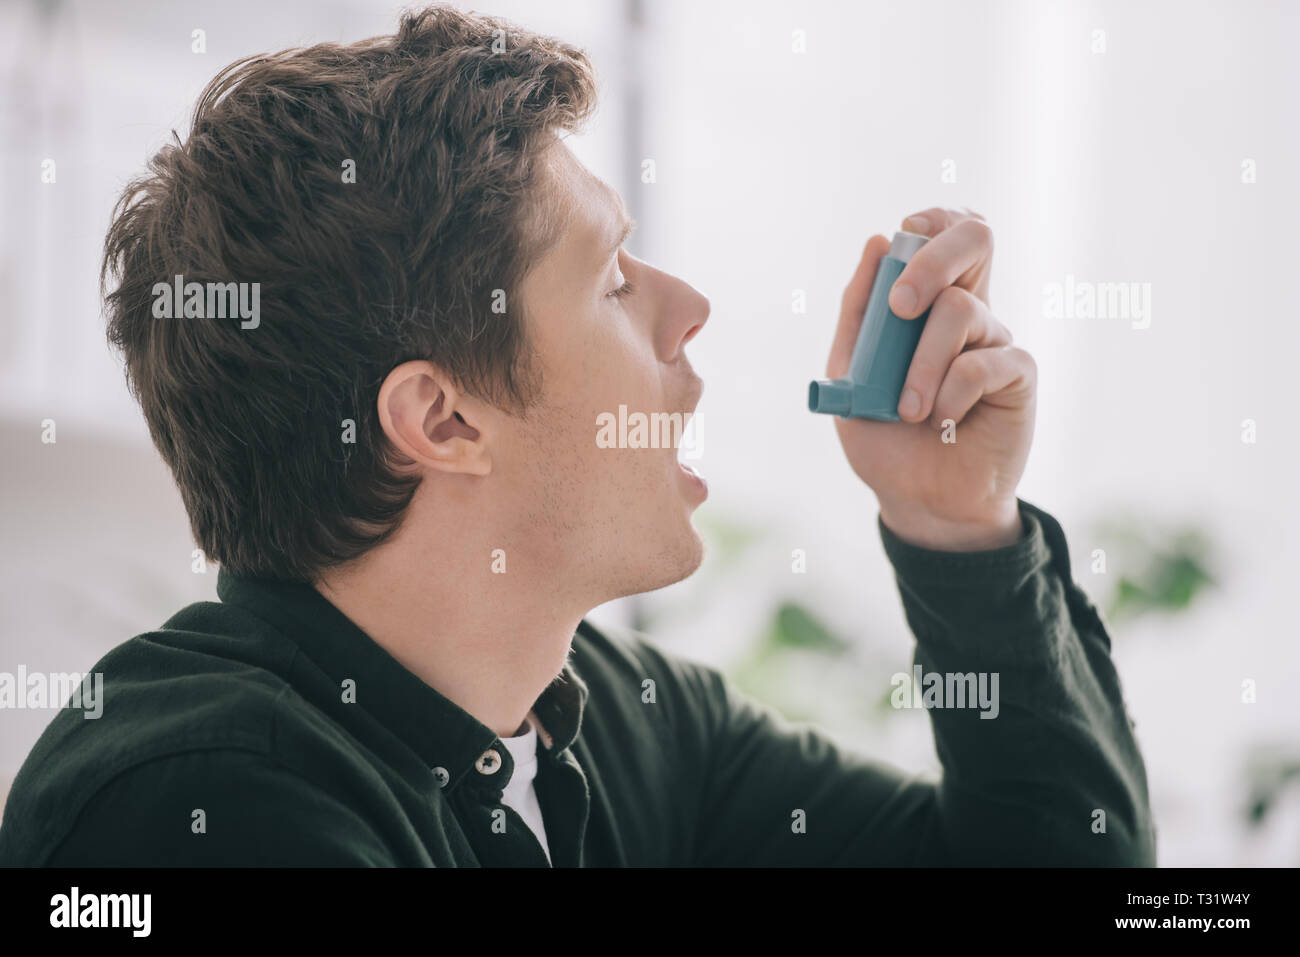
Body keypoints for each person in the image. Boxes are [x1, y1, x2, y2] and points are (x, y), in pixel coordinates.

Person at [0, 4, 1155, 866]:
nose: (686, 305)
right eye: (610, 279)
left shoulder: (620, 723)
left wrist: (956, 527)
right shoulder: (190, 811)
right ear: (443, 419)